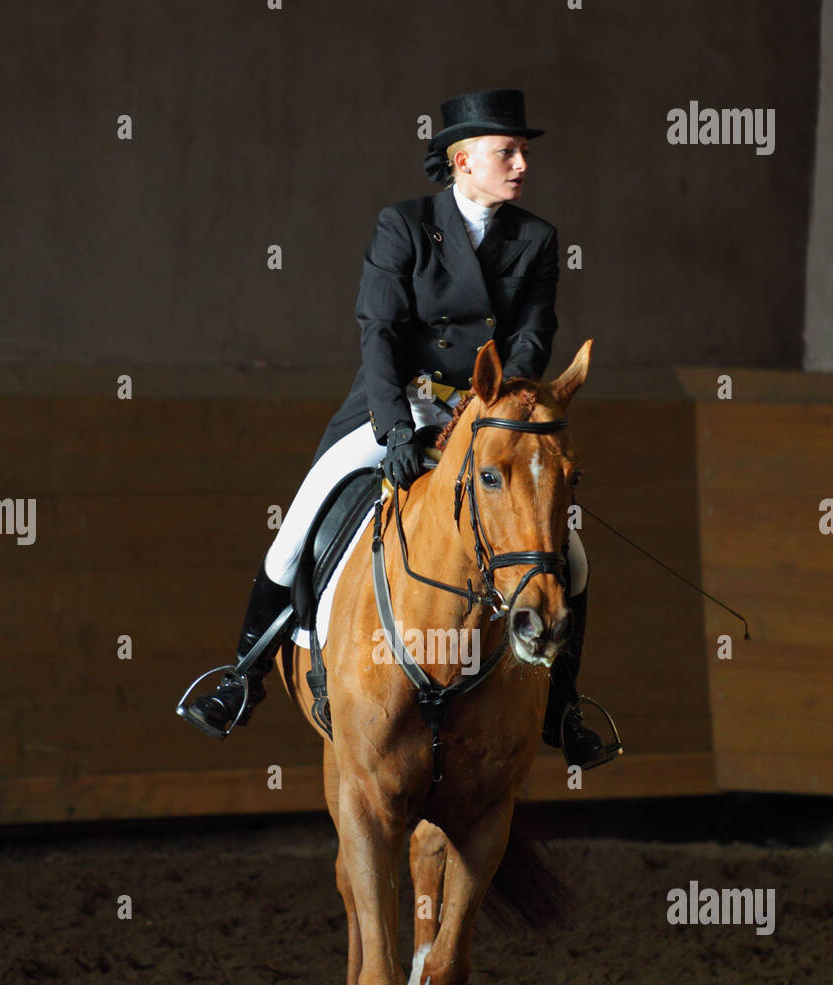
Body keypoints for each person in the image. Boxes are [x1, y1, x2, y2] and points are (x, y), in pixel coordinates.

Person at [178, 88, 616, 769]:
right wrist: (396, 431)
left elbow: (533, 338)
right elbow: (378, 333)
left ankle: (564, 706)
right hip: (396, 407)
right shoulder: (404, 226)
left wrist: (487, 415)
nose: (521, 164)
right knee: (295, 528)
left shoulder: (536, 239)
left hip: (485, 416)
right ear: (462, 159)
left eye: (523, 152)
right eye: (508, 152)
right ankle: (243, 678)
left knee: (572, 560)